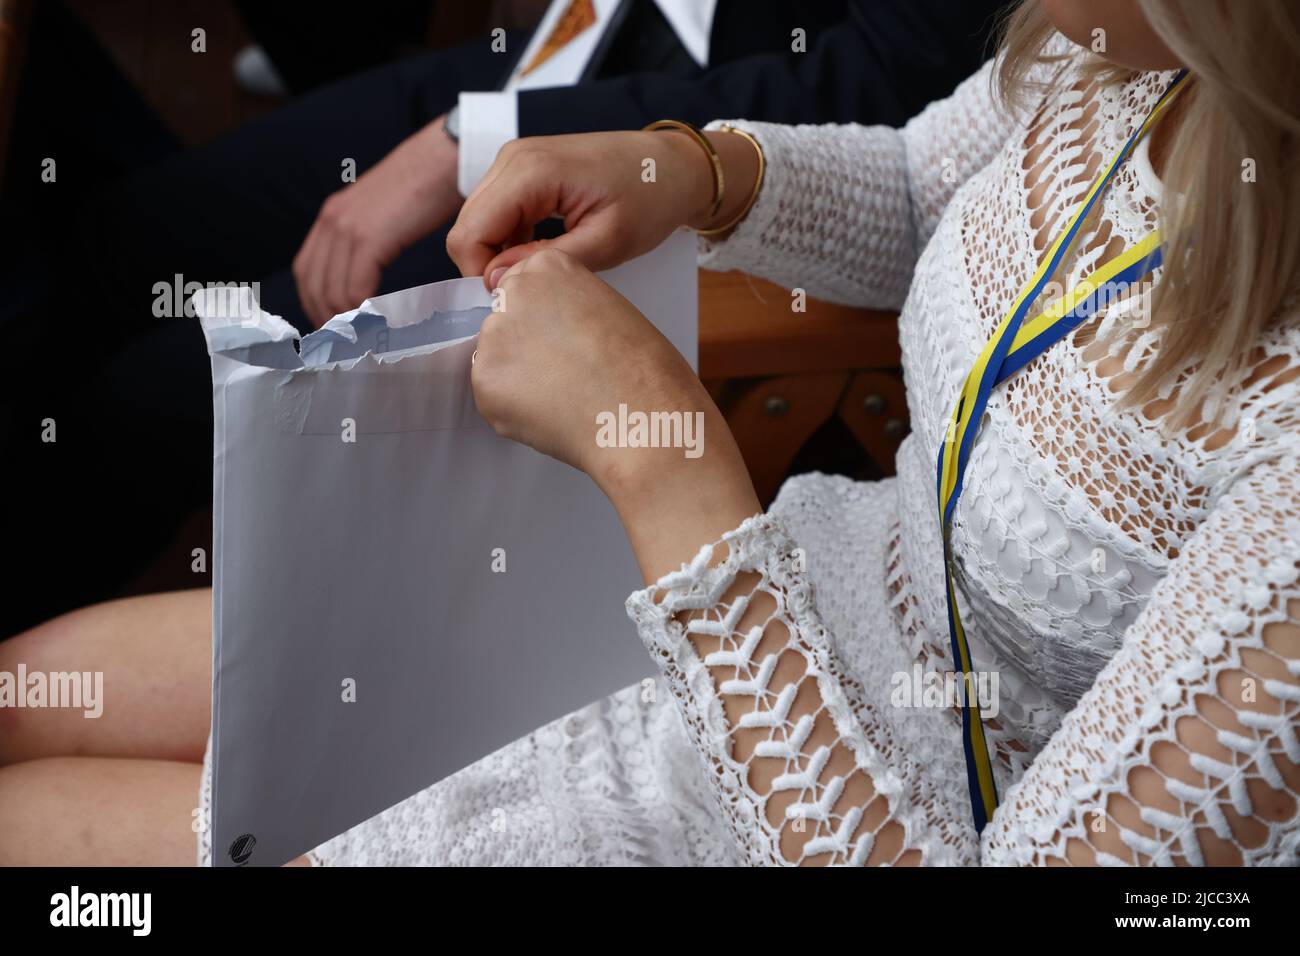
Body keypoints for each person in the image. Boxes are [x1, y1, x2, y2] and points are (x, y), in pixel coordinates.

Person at [3, 0, 1297, 866]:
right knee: (27, 687)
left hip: (782, 770)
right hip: (733, 581)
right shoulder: (1122, 60)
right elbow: (916, 181)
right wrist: (700, 169)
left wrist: (659, 455)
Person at [0, 0, 1007, 638]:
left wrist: (500, 146)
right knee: (118, 243)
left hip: (715, 112)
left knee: (139, 403)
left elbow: (884, 97)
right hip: (593, 40)